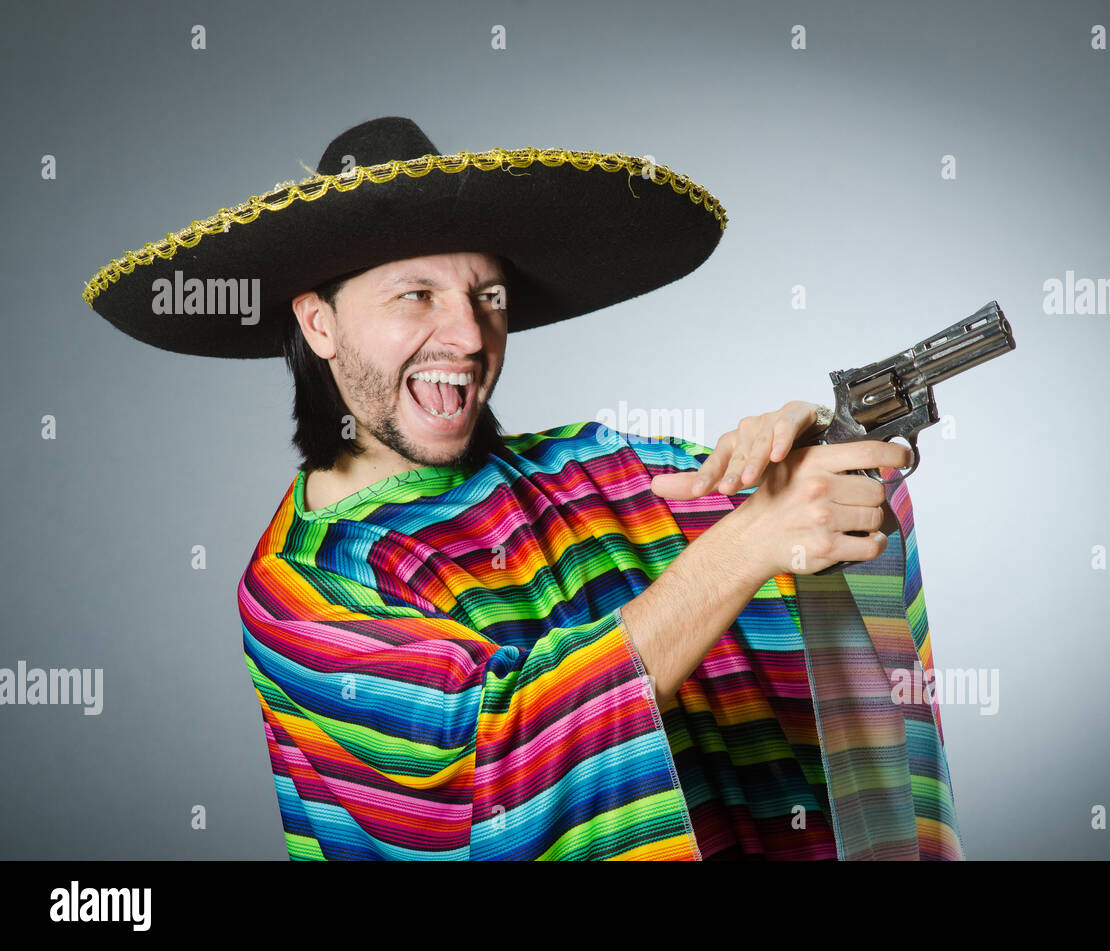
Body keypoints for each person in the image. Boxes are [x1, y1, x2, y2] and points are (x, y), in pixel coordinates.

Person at [82, 116, 963, 860]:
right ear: (318, 322)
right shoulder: (303, 587)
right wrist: (749, 540)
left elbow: (805, 532)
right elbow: (497, 768)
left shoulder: (593, 468)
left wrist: (821, 457)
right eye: (416, 295)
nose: (468, 334)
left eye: (488, 295)